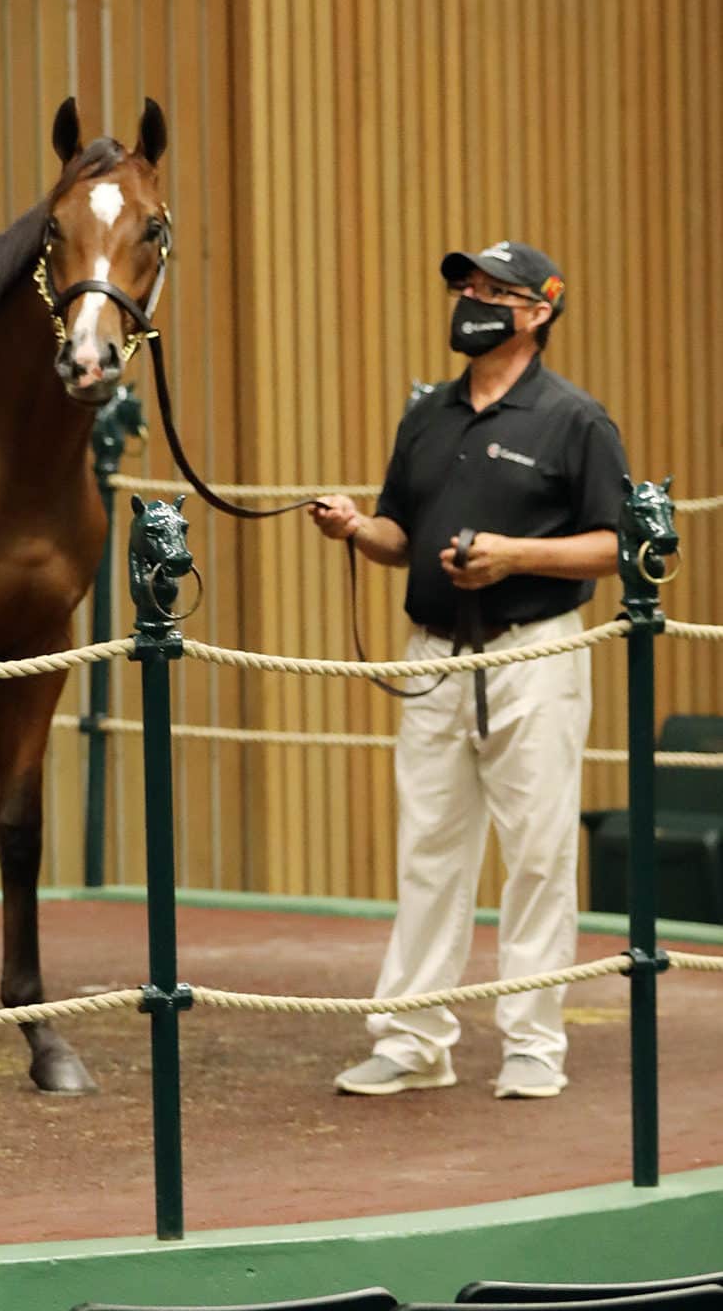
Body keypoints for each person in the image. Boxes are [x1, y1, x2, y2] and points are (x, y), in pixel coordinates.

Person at [311, 240, 629, 1102]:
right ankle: (415, 1039)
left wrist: (513, 555)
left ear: (539, 311)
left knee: (537, 854)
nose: (471, 299)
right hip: (434, 659)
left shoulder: (575, 420)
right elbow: (398, 534)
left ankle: (533, 1044)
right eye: (465, 285)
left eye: (494, 289)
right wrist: (351, 528)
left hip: (535, 655)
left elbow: (616, 547)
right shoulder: (428, 414)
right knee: (429, 853)